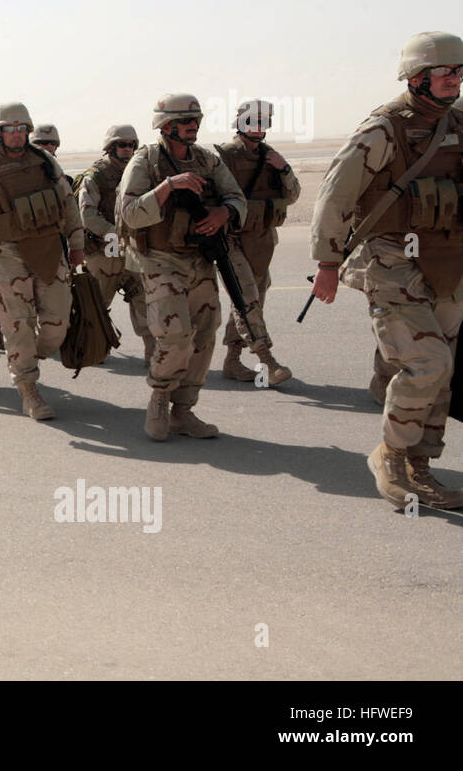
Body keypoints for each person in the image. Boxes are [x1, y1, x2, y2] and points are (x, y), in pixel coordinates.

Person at [310, 31, 463, 509]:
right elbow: (334, 196)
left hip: (447, 261)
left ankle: (420, 467)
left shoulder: (459, 123)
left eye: (460, 72)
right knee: (427, 363)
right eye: (445, 73)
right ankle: (390, 457)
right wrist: (327, 263)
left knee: (444, 370)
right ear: (417, 78)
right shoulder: (383, 130)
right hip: (391, 259)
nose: (455, 80)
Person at [117, 93, 246, 441]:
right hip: (160, 259)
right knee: (174, 334)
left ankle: (184, 410)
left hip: (199, 258)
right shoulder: (145, 161)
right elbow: (127, 214)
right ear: (167, 126)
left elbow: (237, 198)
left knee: (205, 332)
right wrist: (167, 187)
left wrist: (225, 213)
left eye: (196, 121)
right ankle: (159, 397)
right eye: (186, 122)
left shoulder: (207, 160)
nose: (193, 127)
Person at [0, 102, 84, 420]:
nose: (16, 135)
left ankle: (28, 353)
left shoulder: (45, 162)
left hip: (49, 250)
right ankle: (28, 388)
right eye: (9, 129)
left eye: (21, 128)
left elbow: (69, 205)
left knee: (58, 323)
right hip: (7, 255)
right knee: (18, 325)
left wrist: (78, 245)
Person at [216, 100, 299, 385]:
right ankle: (267, 359)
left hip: (262, 242)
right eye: (251, 121)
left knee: (251, 301)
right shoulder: (223, 156)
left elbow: (292, 195)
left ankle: (232, 360)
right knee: (247, 298)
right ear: (239, 123)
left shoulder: (271, 157)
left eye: (262, 122)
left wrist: (284, 168)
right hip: (232, 240)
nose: (257, 127)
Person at [77, 125, 155, 363]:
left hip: (133, 250)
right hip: (104, 250)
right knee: (98, 304)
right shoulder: (96, 176)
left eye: (132, 145)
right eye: (122, 145)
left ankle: (153, 351)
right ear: (111, 147)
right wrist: (118, 234)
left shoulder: (141, 172)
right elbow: (87, 215)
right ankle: (93, 348)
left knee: (143, 299)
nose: (128, 149)